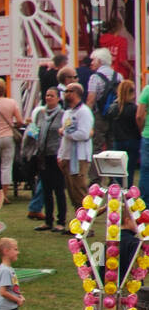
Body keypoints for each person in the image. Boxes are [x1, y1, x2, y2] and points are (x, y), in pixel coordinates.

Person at [29, 86, 66, 232]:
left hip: (56, 155)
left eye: (51, 95)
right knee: (46, 188)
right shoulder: (40, 114)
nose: (48, 98)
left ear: (58, 98)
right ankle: (48, 221)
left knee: (58, 189)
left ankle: (61, 221)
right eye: (47, 95)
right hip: (42, 155)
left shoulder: (63, 115)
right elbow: (34, 130)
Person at [59, 81, 94, 222]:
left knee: (80, 190)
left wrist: (65, 132)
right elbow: (65, 138)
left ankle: (86, 224)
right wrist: (60, 155)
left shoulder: (84, 112)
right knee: (72, 192)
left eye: (69, 91)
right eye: (65, 91)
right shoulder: (67, 112)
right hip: (67, 155)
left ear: (76, 93)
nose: (66, 94)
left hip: (79, 157)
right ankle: (79, 221)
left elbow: (84, 134)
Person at [110, 79, 141, 182]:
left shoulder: (113, 108)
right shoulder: (133, 109)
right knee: (129, 171)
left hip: (118, 141)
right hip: (132, 141)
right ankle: (128, 193)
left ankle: (118, 193)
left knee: (118, 172)